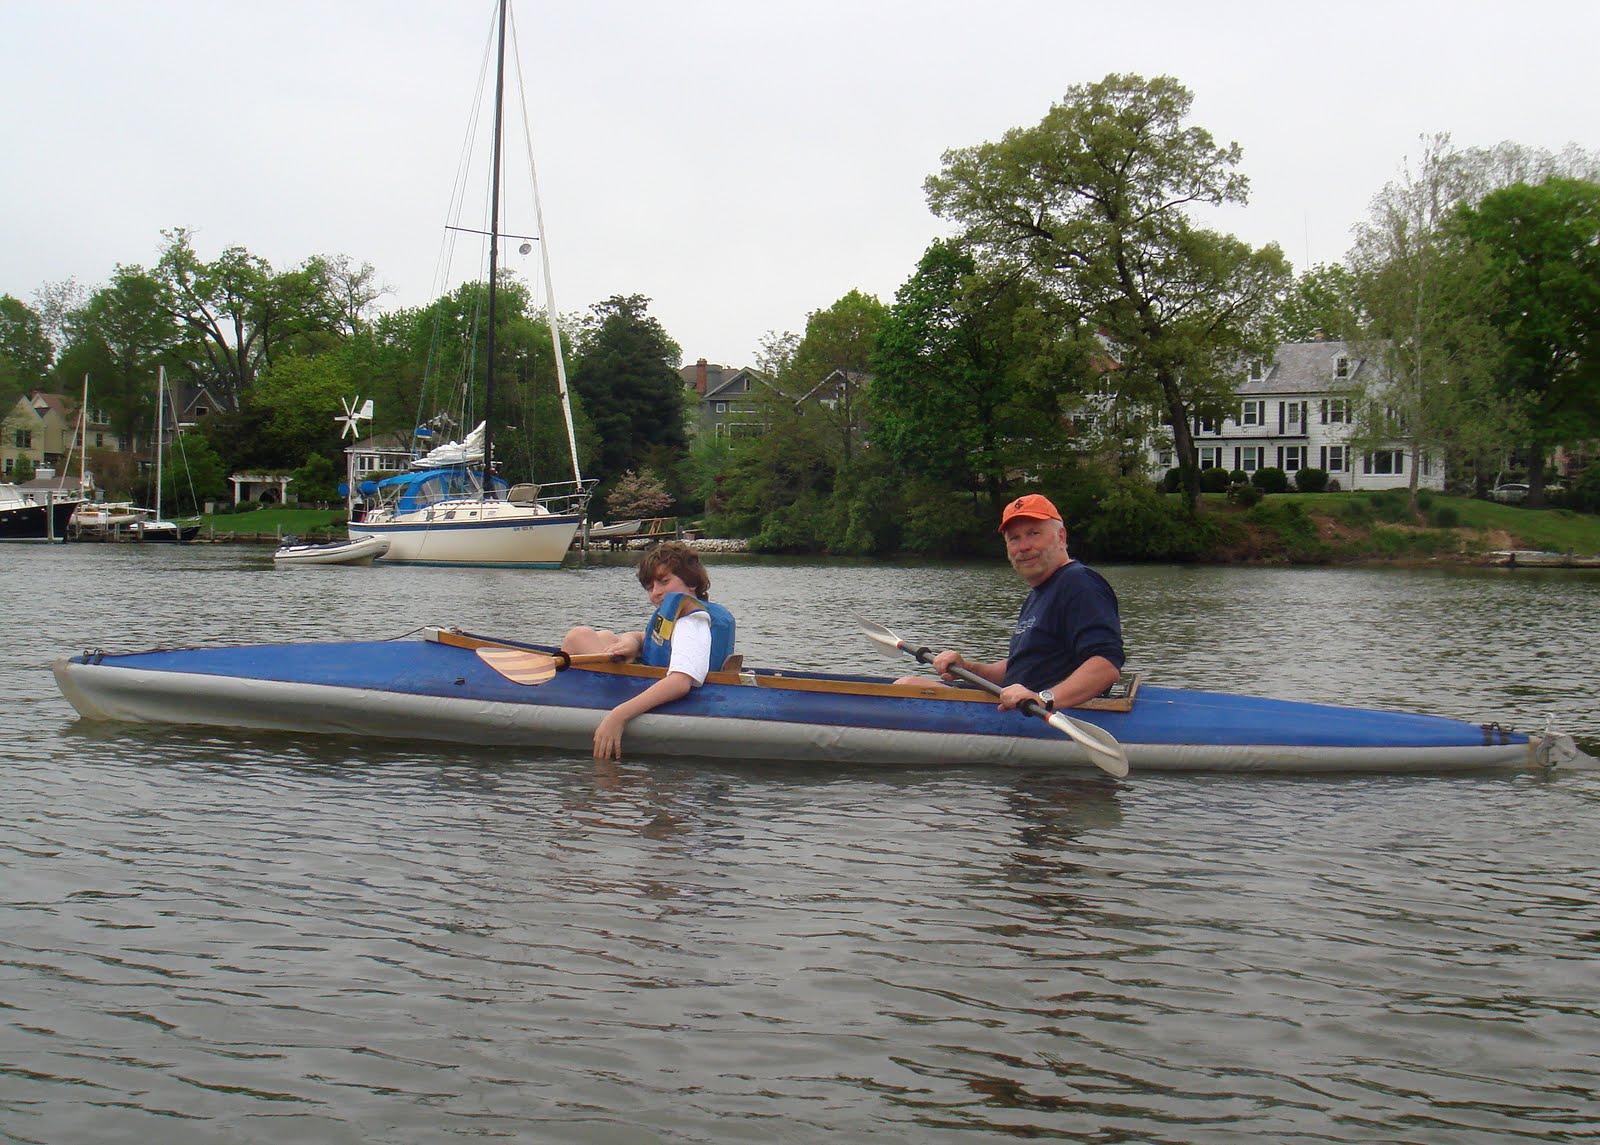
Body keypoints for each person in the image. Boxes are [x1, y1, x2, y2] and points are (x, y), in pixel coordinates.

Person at [900, 494, 1124, 714]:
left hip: (1042, 713)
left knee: (906, 687)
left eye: (1033, 533)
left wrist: (1044, 699)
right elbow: (1019, 669)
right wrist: (966, 668)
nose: (1023, 546)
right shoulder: (1041, 592)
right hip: (1017, 706)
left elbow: (1106, 664)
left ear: (1061, 537)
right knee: (908, 685)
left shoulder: (1079, 583)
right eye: (1014, 538)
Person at [561, 541, 736, 761]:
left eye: (664, 582)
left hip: (645, 689)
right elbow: (650, 639)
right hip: (648, 676)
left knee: (578, 636)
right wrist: (632, 642)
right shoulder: (687, 616)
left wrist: (618, 716)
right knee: (606, 636)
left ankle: (553, 691)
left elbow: (680, 682)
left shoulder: (691, 622)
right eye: (650, 587)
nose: (656, 592)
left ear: (691, 582)